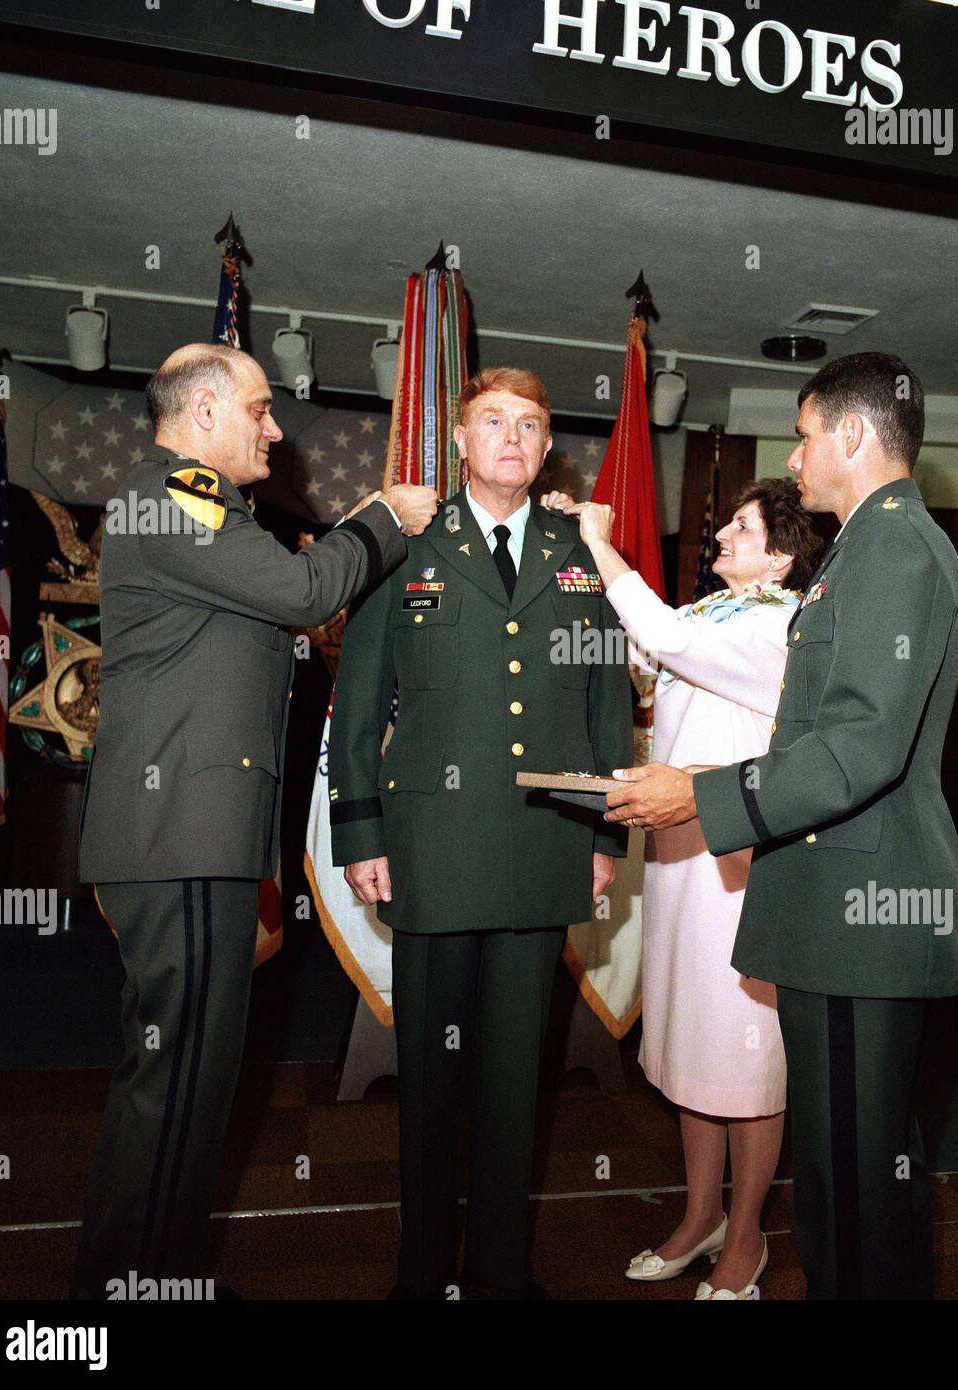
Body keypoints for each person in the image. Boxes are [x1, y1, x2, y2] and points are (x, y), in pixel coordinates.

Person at [604, 352, 958, 1299]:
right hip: (839, 903)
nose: (797, 451)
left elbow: (857, 746)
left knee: (853, 1184)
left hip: (859, 911)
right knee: (846, 1174)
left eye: (807, 432)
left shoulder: (892, 547)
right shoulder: (868, 544)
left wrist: (700, 796)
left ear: (853, 434)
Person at [72, 342, 436, 1299]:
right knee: (179, 1084)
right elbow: (302, 593)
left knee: (184, 1078)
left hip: (190, 832)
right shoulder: (173, 495)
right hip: (182, 834)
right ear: (201, 414)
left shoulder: (192, 506)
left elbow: (257, 629)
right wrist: (384, 519)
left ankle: (150, 1276)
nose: (275, 430)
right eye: (260, 409)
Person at [329, 367, 632, 1299]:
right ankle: (421, 1275)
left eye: (529, 424)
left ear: (545, 449)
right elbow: (356, 705)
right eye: (491, 421)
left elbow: (605, 703)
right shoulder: (406, 544)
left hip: (546, 843)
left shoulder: (577, 551)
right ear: (460, 443)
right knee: (428, 1082)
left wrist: (605, 837)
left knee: (514, 1084)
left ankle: (502, 1272)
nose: (511, 436)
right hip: (429, 847)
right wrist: (359, 832)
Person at [552, 480, 823, 1299]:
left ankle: (746, 1238)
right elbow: (633, 649)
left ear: (780, 554)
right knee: (686, 1047)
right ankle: (699, 1214)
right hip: (676, 850)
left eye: (741, 529)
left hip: (736, 863)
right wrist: (566, 550)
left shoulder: (780, 623)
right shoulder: (711, 616)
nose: (719, 539)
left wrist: (603, 542)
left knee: (743, 1055)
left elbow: (658, 634)